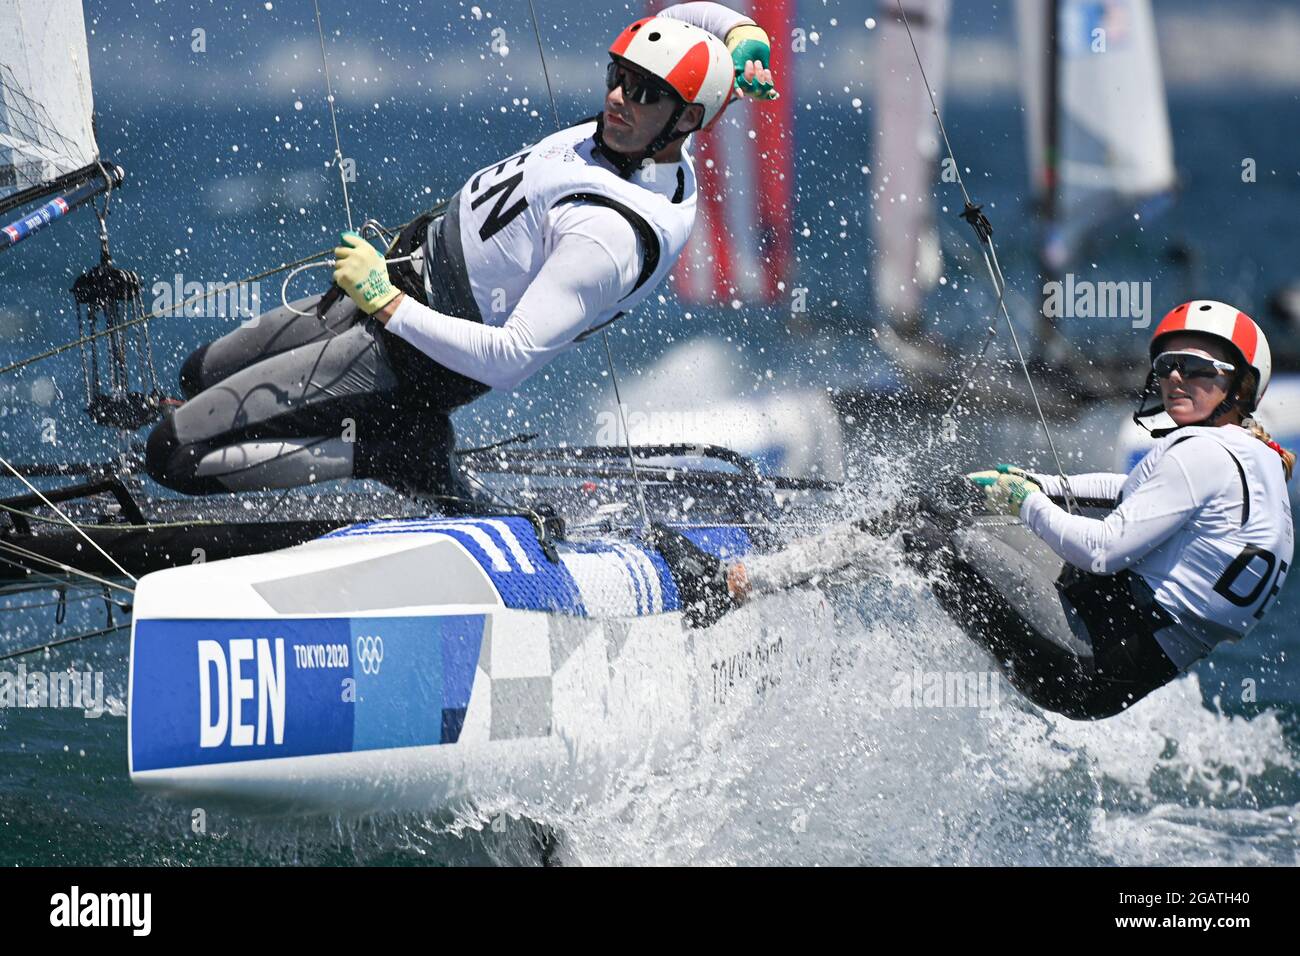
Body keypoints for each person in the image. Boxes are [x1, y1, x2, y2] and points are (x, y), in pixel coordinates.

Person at [145, 3, 778, 507]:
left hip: (408, 352)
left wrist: (384, 303)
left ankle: (391, 454)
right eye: (619, 76)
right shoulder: (641, 138)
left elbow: (511, 359)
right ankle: (318, 427)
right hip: (395, 283)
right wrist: (741, 30)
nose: (618, 98)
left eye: (643, 93)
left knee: (172, 453)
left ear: (686, 119)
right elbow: (689, 22)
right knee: (200, 372)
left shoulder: (607, 235)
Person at [962, 300, 1295, 718]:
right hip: (1103, 660)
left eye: (1194, 367)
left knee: (929, 527)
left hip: (1082, 654)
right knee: (969, 518)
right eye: (1166, 364)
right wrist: (1042, 484)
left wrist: (1023, 500)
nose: (1175, 376)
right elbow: (1135, 494)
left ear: (1242, 385)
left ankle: (857, 558)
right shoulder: (1256, 458)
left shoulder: (1205, 455)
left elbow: (1101, 551)